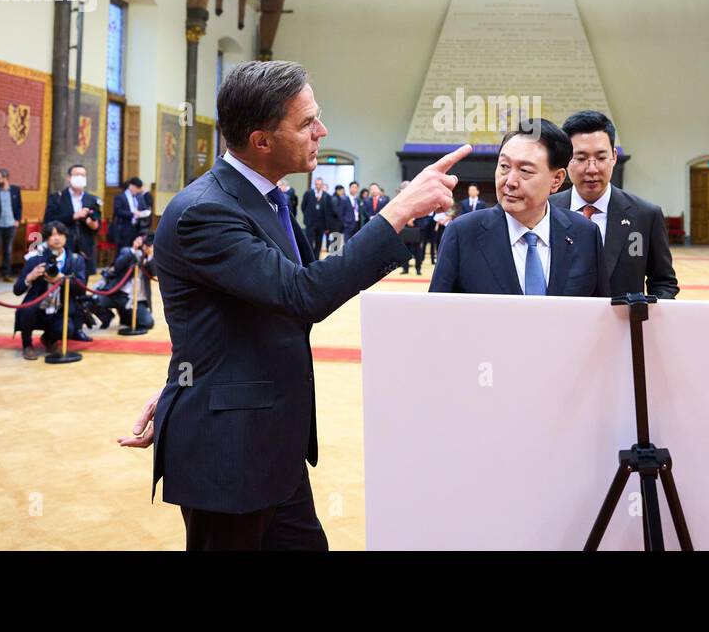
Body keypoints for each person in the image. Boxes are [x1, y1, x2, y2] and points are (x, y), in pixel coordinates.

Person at [117, 60, 467, 551]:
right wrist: (399, 210)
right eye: (306, 123)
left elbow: (241, 311)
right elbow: (304, 294)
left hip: (268, 441)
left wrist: (186, 379)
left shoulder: (264, 198)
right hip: (228, 451)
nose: (321, 131)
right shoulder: (207, 211)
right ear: (262, 141)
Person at [430, 120, 608, 297]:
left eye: (525, 170)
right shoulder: (462, 234)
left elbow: (601, 314)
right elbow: (436, 316)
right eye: (504, 167)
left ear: (557, 179)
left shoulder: (585, 234)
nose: (510, 182)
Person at [553, 110, 679, 300]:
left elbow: (663, 283)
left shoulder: (645, 215)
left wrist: (644, 319)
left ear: (613, 156)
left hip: (622, 325)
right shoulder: (545, 210)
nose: (592, 169)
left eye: (601, 157)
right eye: (580, 158)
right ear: (566, 160)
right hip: (561, 323)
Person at [13, 221, 91, 360]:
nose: (57, 238)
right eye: (52, 235)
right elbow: (17, 290)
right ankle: (27, 344)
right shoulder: (35, 259)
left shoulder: (75, 260)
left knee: (67, 329)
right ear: (46, 239)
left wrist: (63, 279)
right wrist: (29, 277)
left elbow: (81, 289)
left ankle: (49, 339)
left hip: (61, 307)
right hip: (38, 306)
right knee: (27, 309)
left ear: (66, 237)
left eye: (60, 234)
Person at [89, 234, 155, 332]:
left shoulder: (148, 259)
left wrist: (150, 254)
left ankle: (125, 315)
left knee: (147, 322)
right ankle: (107, 317)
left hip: (136, 299)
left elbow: (153, 272)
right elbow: (117, 266)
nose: (144, 245)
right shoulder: (127, 251)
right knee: (92, 301)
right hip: (117, 293)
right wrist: (133, 249)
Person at [43, 164, 102, 263]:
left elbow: (97, 224)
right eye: (77, 175)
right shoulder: (57, 197)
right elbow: (48, 220)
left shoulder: (92, 199)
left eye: (83, 175)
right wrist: (73, 216)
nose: (80, 178)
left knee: (82, 277)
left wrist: (92, 224)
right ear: (68, 177)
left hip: (85, 246)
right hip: (63, 245)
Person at [0, 168, 23, 282]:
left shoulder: (15, 190)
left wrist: (17, 219)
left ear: (5, 178)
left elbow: (19, 206)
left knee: (8, 250)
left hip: (11, 224)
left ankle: (6, 274)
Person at [110, 177, 153, 251]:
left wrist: (143, 213)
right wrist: (132, 214)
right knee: (124, 250)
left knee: (135, 251)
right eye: (137, 188)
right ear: (131, 186)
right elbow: (118, 211)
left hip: (137, 228)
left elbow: (144, 208)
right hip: (124, 228)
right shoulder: (120, 197)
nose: (138, 190)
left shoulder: (139, 197)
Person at [300, 177, 330, 259]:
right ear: (314, 184)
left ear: (322, 185)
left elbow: (327, 211)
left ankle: (316, 258)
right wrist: (307, 216)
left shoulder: (326, 196)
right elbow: (303, 206)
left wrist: (327, 225)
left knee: (318, 242)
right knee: (309, 241)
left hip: (321, 224)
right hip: (310, 222)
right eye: (317, 184)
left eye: (320, 184)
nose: (318, 186)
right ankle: (309, 258)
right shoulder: (308, 193)